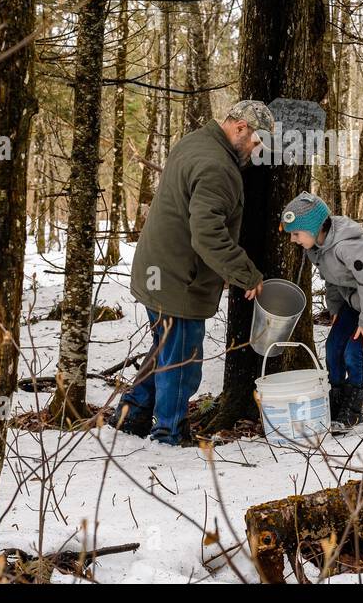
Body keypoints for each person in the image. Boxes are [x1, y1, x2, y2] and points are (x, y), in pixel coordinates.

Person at [112, 100, 274, 445]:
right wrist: (247, 273)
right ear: (240, 128)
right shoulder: (218, 168)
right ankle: (169, 433)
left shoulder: (195, 141)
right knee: (182, 361)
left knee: (164, 348)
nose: (257, 150)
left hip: (157, 268)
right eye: (256, 141)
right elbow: (208, 235)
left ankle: (132, 414)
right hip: (179, 279)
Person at [280, 192, 363, 430]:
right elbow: (333, 280)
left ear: (314, 228)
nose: (293, 240)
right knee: (333, 347)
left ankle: (352, 409)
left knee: (353, 351)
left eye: (296, 234)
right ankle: (335, 400)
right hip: (354, 300)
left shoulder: (349, 247)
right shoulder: (316, 247)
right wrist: (335, 308)